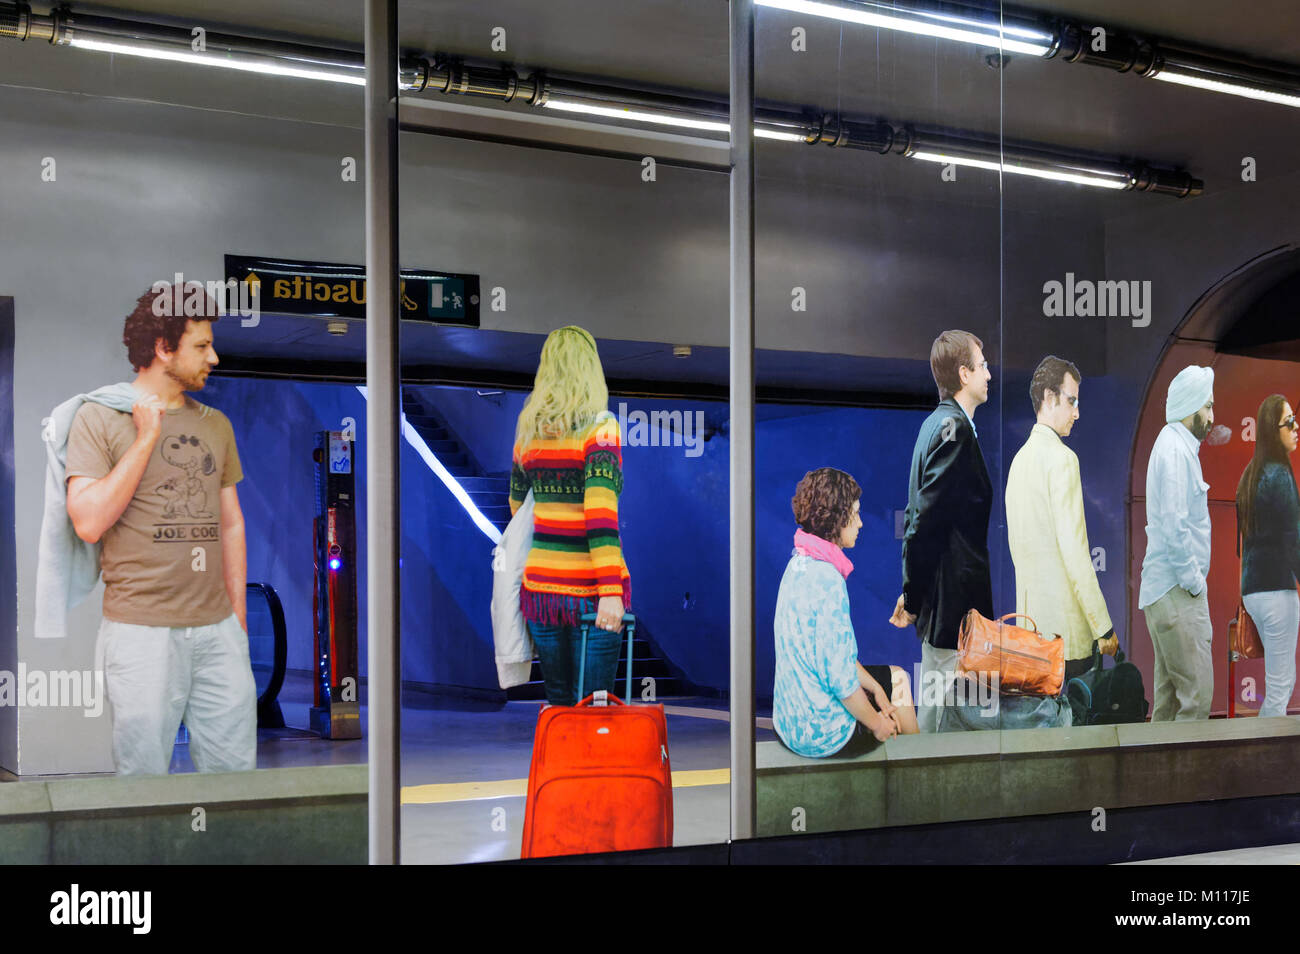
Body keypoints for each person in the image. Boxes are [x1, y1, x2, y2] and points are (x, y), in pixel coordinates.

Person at [64, 284, 255, 775]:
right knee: (143, 780)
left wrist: (237, 619)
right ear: (162, 348)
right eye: (200, 346)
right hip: (140, 631)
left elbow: (231, 524)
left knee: (235, 780)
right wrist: (147, 437)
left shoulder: (217, 425)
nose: (214, 355)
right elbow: (87, 522)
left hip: (217, 631)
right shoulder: (99, 418)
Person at [509, 326, 631, 706]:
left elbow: (517, 508)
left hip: (541, 592)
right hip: (590, 594)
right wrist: (611, 591)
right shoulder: (601, 428)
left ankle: (558, 767)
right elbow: (599, 514)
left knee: (560, 705)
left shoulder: (528, 431)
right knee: (594, 709)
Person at [774, 468, 919, 758]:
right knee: (899, 688)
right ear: (837, 518)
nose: (861, 523)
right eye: (856, 513)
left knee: (894, 678)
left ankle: (916, 762)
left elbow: (829, 654)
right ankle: (923, 770)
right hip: (824, 735)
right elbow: (839, 678)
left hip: (789, 723)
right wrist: (877, 723)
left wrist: (876, 688)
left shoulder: (798, 564)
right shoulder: (828, 579)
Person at [890, 330, 994, 733]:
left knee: (939, 713)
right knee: (946, 721)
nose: (989, 374)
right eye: (982, 366)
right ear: (964, 374)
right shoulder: (955, 431)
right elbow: (923, 523)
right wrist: (913, 596)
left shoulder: (935, 425)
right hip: (954, 607)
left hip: (942, 603)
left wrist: (913, 593)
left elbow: (922, 520)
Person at [1005, 356, 1119, 681]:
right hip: (1066, 639)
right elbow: (1075, 554)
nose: (1077, 412)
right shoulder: (1063, 460)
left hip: (1029, 635)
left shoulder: (1018, 463)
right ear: (1049, 398)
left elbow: (1019, 551)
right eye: (1072, 401)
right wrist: (1103, 627)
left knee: (1041, 730)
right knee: (1076, 728)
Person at [1139, 365, 1215, 721]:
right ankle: (1188, 780)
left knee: (1169, 707)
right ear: (1190, 407)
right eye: (1208, 407)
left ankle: (1156, 778)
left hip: (1167, 592)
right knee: (1196, 703)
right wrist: (1194, 581)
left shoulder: (1174, 447)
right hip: (1176, 592)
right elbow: (1175, 525)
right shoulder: (1175, 451)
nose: (1212, 416)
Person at [1236, 394, 1300, 719]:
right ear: (1272, 430)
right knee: (1280, 689)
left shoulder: (1250, 475)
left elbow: (1241, 546)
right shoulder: (1280, 475)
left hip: (1254, 593)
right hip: (1278, 591)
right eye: (1288, 422)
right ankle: (1261, 763)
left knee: (1277, 687)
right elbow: (1293, 538)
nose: (1295, 426)